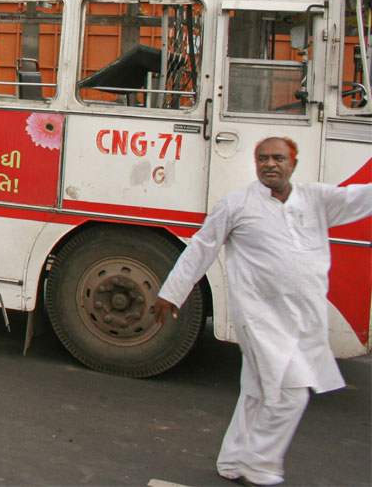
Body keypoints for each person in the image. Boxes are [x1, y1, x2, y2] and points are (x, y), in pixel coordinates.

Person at [154, 137, 372, 486]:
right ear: (255, 164)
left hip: (303, 320)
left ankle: (233, 460)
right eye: (263, 158)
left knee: (257, 392)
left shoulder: (316, 199)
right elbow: (202, 247)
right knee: (290, 394)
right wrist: (172, 293)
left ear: (293, 163)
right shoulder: (237, 205)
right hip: (259, 319)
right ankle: (260, 467)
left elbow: (362, 197)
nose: (270, 164)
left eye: (278, 158)